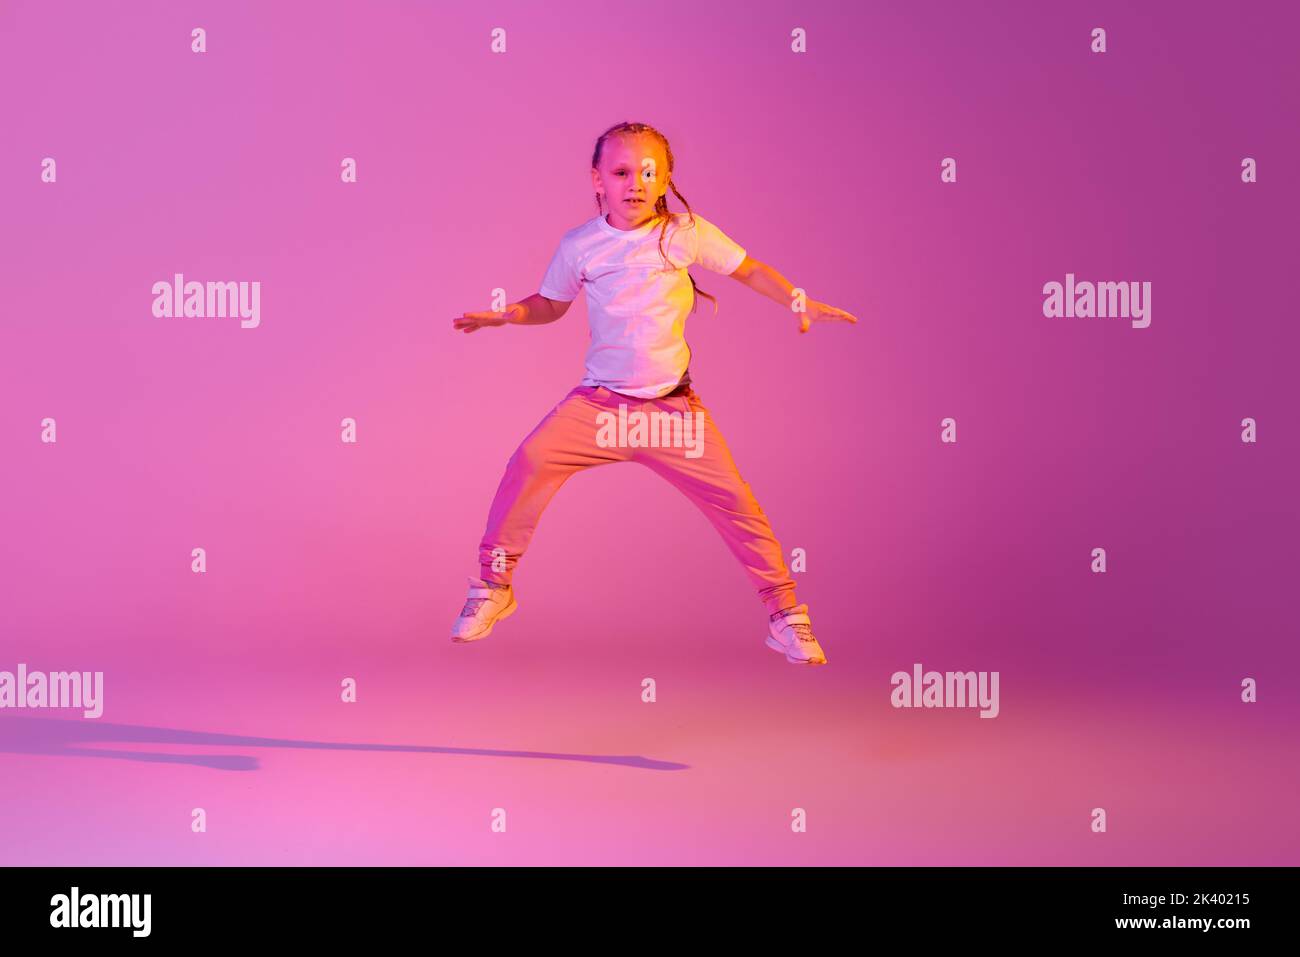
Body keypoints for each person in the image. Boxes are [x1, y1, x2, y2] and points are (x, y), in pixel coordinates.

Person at [449, 122, 857, 664]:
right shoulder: (581, 245)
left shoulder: (685, 232)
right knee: (529, 463)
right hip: (600, 407)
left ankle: (785, 616)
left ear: (665, 179)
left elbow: (749, 269)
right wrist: (508, 316)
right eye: (621, 172)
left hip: (671, 413)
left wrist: (795, 300)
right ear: (597, 180)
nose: (635, 183)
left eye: (648, 172)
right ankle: (494, 589)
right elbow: (549, 304)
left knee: (737, 505)